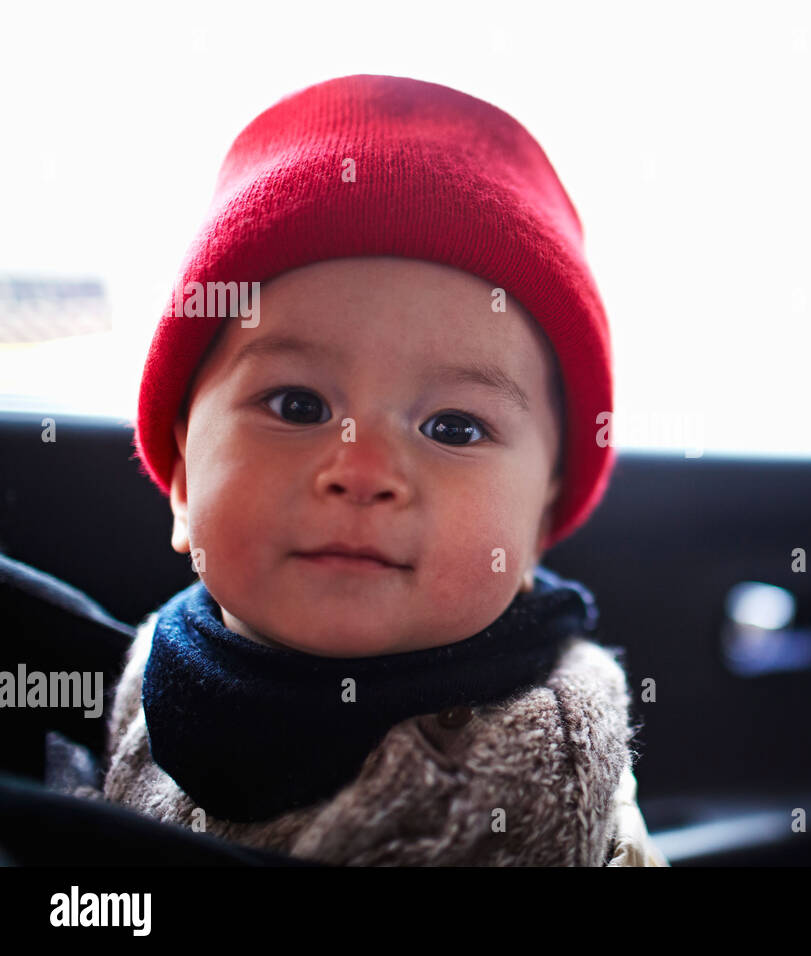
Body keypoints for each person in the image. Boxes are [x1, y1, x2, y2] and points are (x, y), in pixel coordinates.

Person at [77, 74, 666, 866]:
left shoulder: (533, 772)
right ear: (182, 479)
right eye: (296, 406)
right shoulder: (155, 669)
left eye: (452, 427)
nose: (362, 470)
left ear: (534, 530)